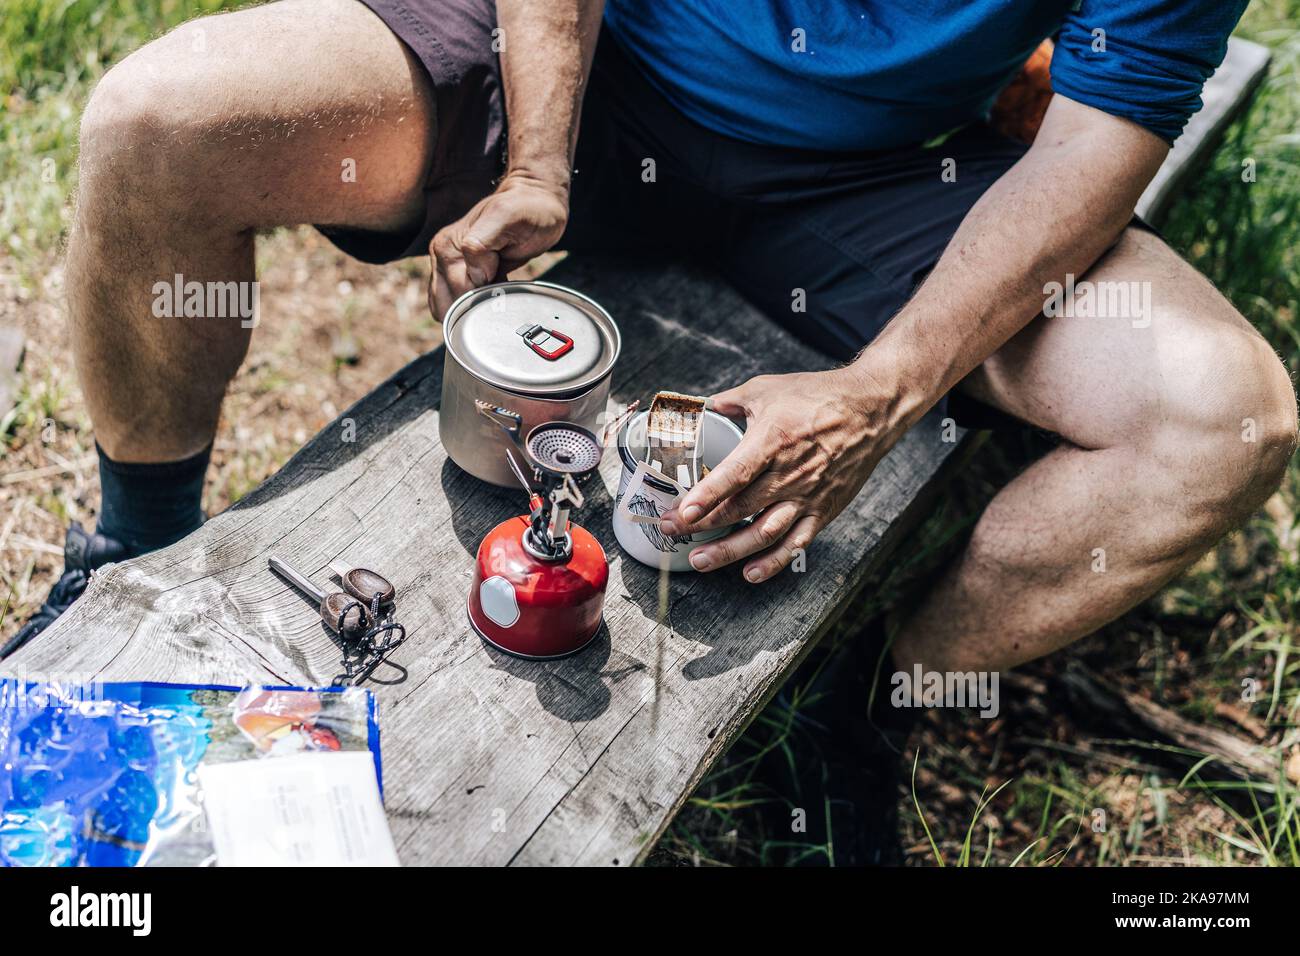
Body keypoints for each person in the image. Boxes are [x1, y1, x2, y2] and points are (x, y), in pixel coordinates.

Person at [6, 0, 1295, 859]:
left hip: (877, 174)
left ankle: (867, 702)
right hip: (592, 72)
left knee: (1219, 420)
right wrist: (537, 164)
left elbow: (1103, 131)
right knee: (161, 122)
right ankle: (135, 548)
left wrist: (883, 388)